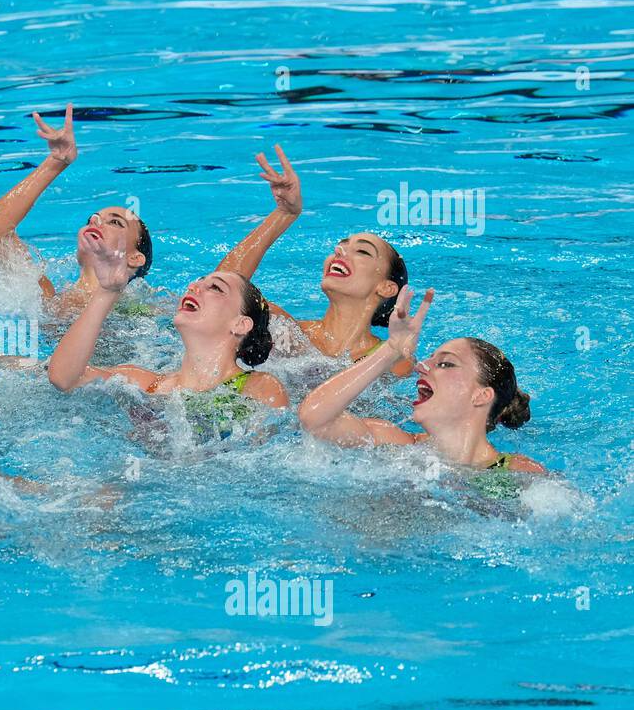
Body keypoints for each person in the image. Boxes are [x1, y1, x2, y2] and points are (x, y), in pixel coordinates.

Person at [48, 225, 288, 435]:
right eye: (197, 282)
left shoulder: (259, 387)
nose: (193, 287)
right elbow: (64, 379)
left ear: (240, 324)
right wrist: (107, 292)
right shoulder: (147, 384)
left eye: (215, 288)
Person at [298, 286, 545, 478]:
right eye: (429, 360)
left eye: (446, 364)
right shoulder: (396, 445)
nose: (421, 367)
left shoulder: (519, 473)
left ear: (482, 396)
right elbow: (316, 419)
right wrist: (391, 350)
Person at [216, 146, 412, 375]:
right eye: (341, 245)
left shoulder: (393, 360)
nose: (339, 250)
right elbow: (219, 293)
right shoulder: (283, 332)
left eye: (363, 251)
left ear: (386, 288)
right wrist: (284, 214)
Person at [0, 104, 153, 315]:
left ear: (134, 258)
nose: (95, 221)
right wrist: (56, 161)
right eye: (93, 218)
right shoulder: (45, 299)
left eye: (115, 222)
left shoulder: (142, 312)